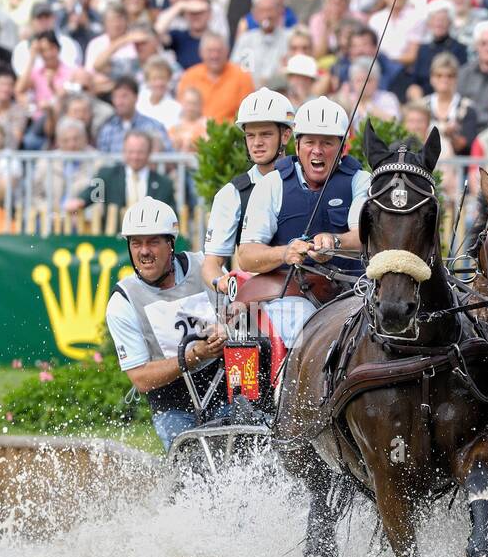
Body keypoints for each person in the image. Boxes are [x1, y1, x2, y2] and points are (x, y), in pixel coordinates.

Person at [237, 96, 369, 347]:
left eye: (327, 143)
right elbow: (247, 255)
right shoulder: (272, 184)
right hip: (292, 298)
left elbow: (364, 235)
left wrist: (334, 242)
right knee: (303, 321)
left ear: (343, 148)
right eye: (309, 142)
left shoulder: (361, 180)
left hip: (355, 293)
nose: (317, 150)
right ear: (297, 146)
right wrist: (286, 253)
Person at [105, 197, 226, 452]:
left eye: (153, 242)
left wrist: (229, 323)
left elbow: (241, 314)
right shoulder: (122, 301)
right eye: (136, 243)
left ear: (170, 244)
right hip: (173, 404)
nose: (144, 251)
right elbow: (140, 378)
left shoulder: (205, 267)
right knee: (193, 469)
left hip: (225, 389)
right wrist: (195, 355)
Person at [202, 89, 295, 293]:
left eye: (266, 134)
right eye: (250, 135)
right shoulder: (232, 193)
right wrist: (221, 282)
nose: (257, 143)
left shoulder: (308, 181)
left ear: (286, 135)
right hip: (255, 303)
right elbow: (212, 263)